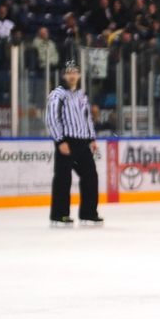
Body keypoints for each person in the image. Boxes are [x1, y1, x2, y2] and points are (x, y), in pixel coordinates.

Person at [45, 61, 102, 227]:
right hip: (67, 140)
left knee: (90, 176)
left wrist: (91, 138)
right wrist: (60, 140)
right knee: (63, 179)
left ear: (79, 75)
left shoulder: (82, 95)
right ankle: (59, 216)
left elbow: (87, 118)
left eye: (75, 72)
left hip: (82, 141)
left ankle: (89, 213)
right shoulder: (58, 94)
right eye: (69, 73)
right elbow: (52, 118)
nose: (72, 76)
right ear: (64, 75)